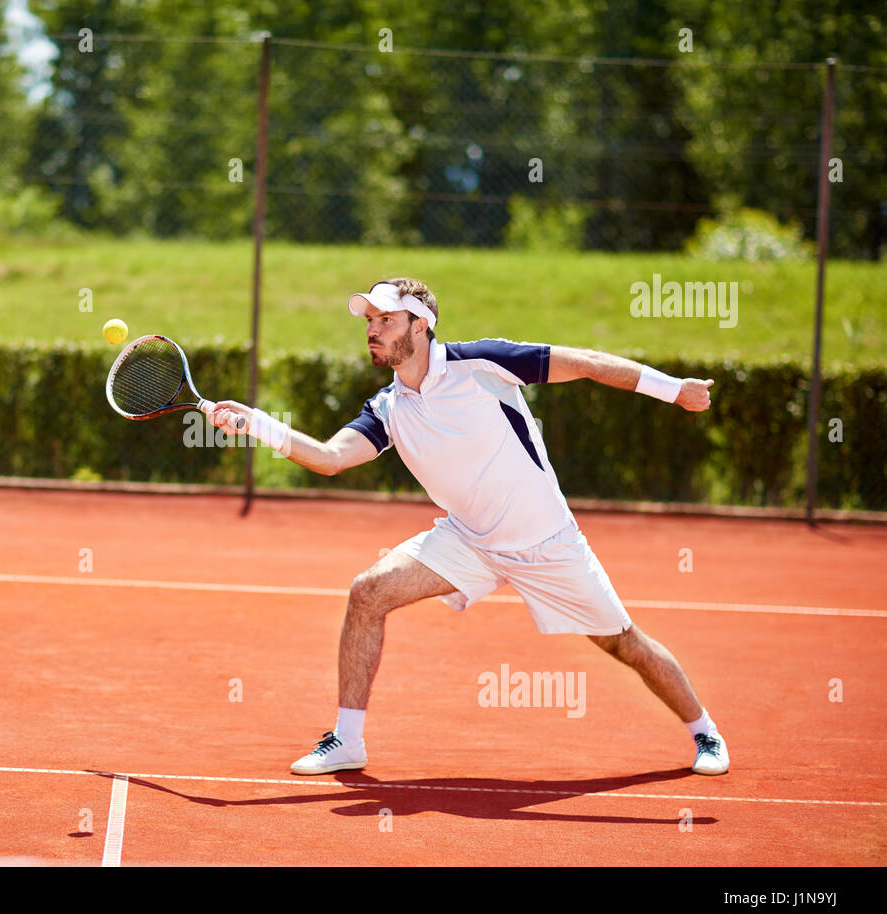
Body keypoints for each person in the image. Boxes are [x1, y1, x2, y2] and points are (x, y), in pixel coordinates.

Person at [205, 277, 730, 777]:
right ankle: (347, 739)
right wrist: (257, 423)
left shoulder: (481, 363)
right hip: (469, 541)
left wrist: (674, 390)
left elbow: (587, 363)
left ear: (420, 324)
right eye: (369, 319)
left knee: (624, 644)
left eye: (386, 318)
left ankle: (705, 732)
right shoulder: (388, 408)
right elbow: (330, 457)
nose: (372, 328)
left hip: (545, 542)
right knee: (368, 593)